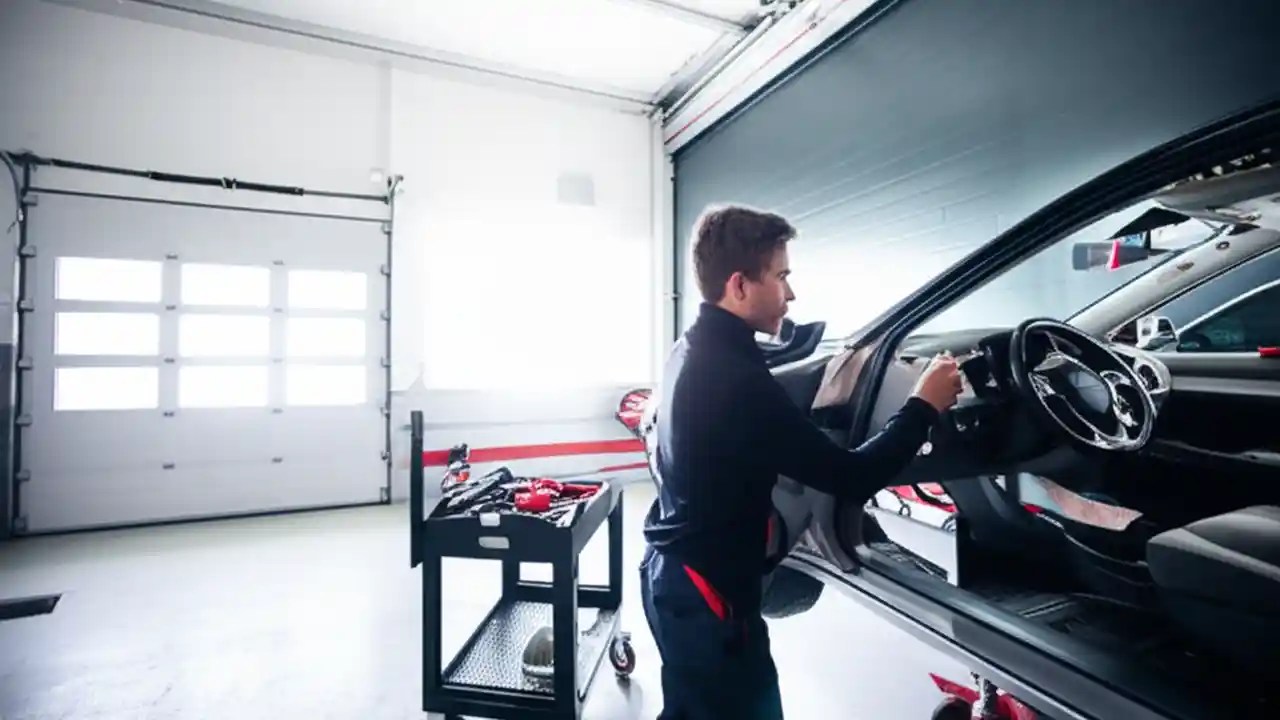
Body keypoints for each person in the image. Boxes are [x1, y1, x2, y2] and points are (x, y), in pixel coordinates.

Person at [640, 204, 964, 719]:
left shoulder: (692, 348)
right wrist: (924, 405)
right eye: (782, 276)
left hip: (674, 575)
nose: (791, 294)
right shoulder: (738, 384)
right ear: (740, 285)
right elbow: (852, 475)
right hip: (710, 597)